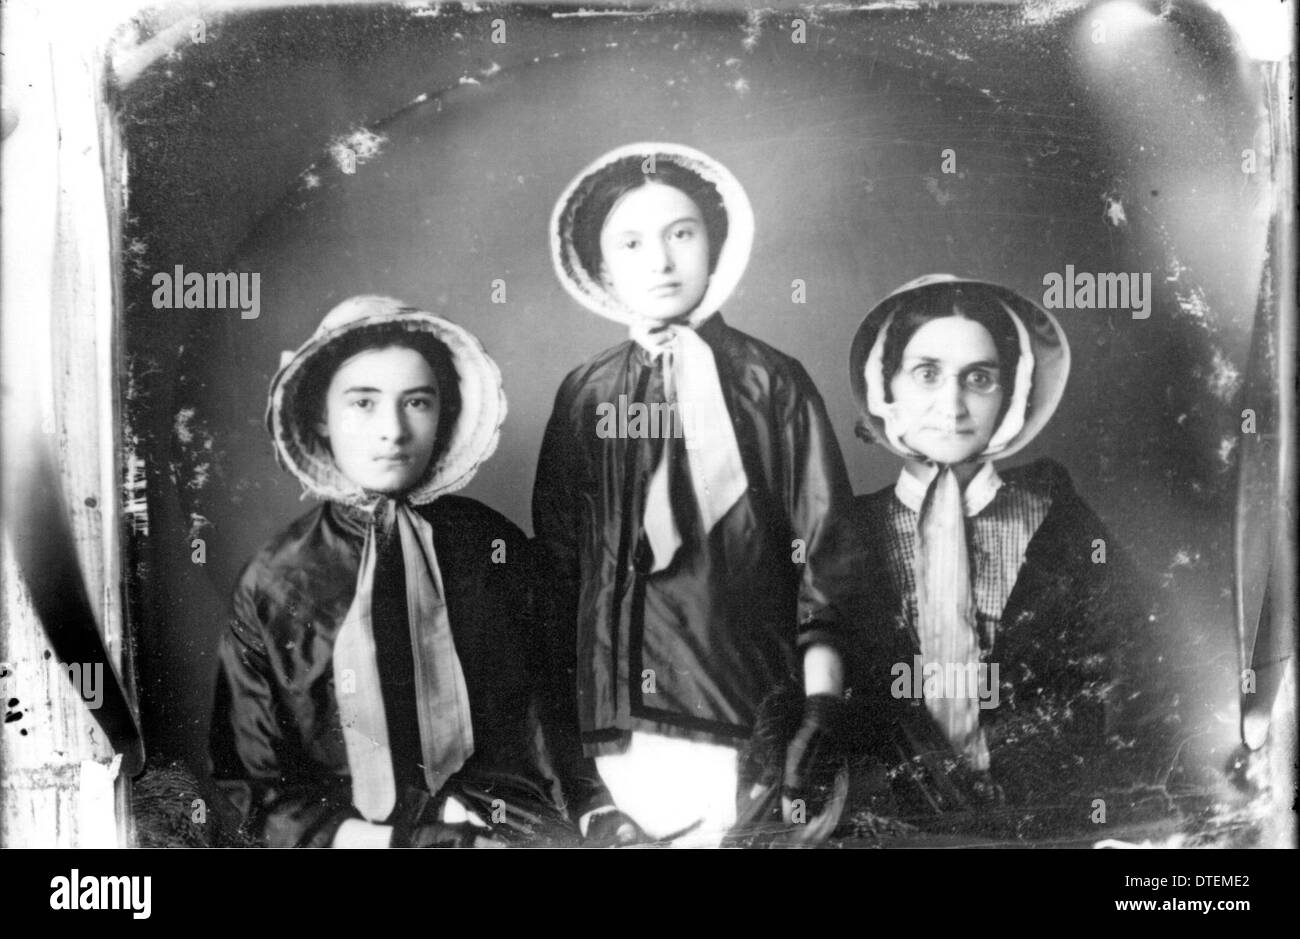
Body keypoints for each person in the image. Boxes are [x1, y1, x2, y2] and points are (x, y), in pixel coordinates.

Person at [533, 143, 867, 846]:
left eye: (681, 234)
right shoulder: (584, 393)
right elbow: (559, 573)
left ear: (715, 243)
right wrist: (570, 750)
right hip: (613, 732)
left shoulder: (772, 382)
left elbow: (826, 555)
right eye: (631, 242)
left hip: (740, 716)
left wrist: (820, 705)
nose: (659, 262)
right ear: (601, 265)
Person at [209, 295, 611, 847]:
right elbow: (257, 795)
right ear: (321, 418)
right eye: (363, 403)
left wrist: (598, 811)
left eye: (417, 402)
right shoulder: (275, 584)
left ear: (442, 413)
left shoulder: (494, 548)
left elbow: (561, 711)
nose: (393, 431)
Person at [829, 274, 1181, 835]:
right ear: (886, 387)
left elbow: (1143, 669)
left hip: (1041, 825)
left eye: (979, 378)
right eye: (926, 374)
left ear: (1010, 394)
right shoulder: (846, 530)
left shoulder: (1054, 517)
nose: (952, 404)